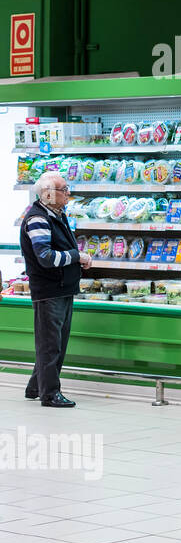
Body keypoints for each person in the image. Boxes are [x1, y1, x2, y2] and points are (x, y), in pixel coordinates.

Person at [20, 171, 90, 408]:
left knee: (54, 342)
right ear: (48, 193)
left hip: (61, 289)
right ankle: (50, 394)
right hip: (49, 290)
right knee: (51, 345)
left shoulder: (56, 215)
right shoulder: (38, 218)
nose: (68, 194)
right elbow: (46, 258)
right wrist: (76, 256)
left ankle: (34, 387)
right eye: (64, 190)